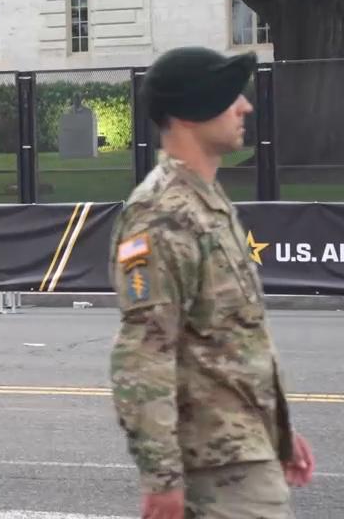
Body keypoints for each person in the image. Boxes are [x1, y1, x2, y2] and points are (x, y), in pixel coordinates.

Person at [109, 47, 315, 519]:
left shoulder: (206, 203)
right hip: (216, 467)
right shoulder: (162, 214)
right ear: (189, 112)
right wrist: (162, 478)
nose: (245, 106)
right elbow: (144, 352)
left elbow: (230, 340)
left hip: (243, 449)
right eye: (229, 97)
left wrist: (277, 432)